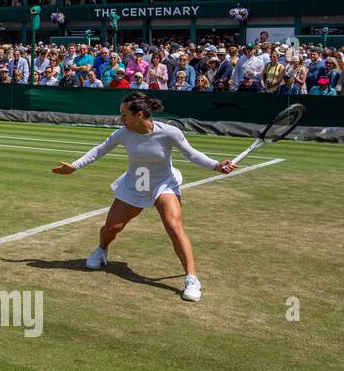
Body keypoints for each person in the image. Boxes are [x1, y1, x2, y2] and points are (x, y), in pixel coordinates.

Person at [51, 93, 235, 302]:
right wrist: (74, 166)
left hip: (164, 182)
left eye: (124, 114)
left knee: (174, 227)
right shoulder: (124, 133)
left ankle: (192, 278)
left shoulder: (169, 133)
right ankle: (101, 250)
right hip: (137, 182)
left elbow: (192, 154)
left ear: (139, 115)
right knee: (111, 228)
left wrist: (216, 165)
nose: (121, 119)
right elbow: (99, 150)